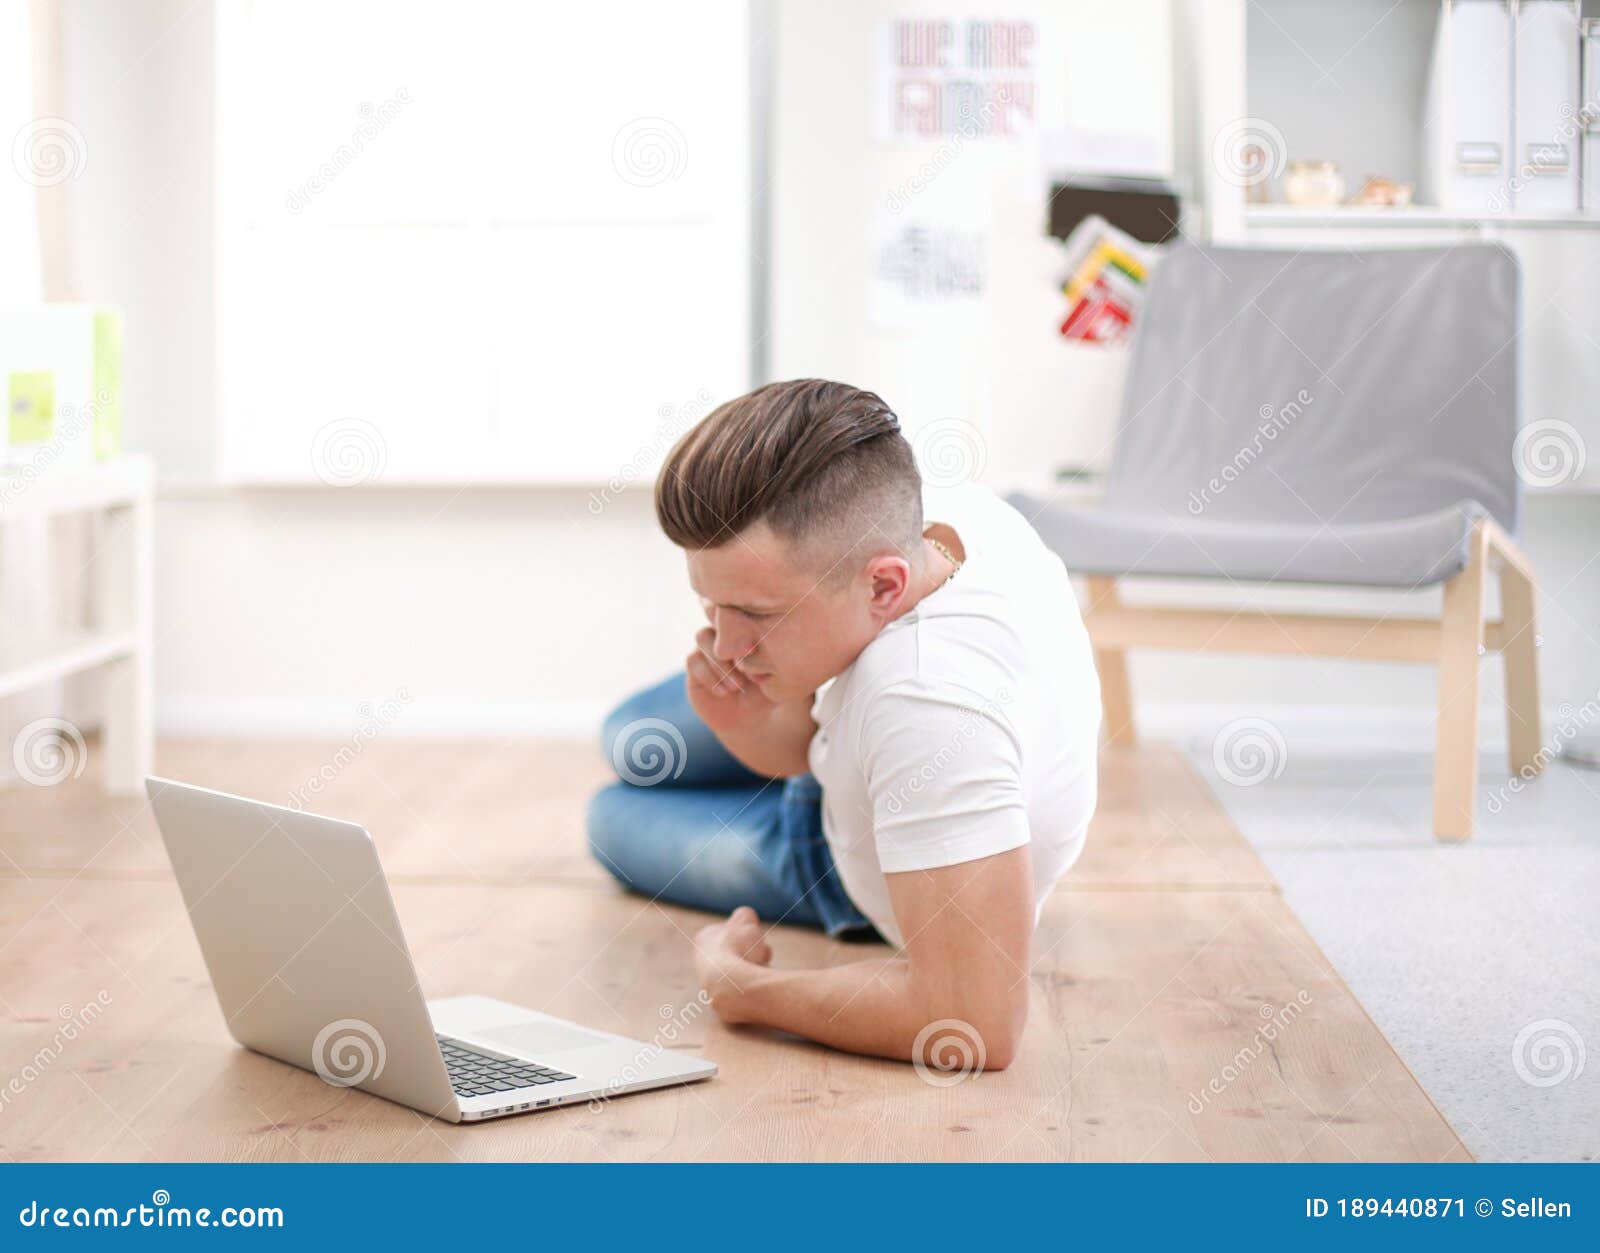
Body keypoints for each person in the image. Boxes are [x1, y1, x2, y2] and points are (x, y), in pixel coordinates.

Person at [587, 379, 1100, 1069]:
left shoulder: (928, 702)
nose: (724, 644)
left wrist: (744, 989)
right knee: (627, 735)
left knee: (610, 814)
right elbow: (805, 742)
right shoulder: (947, 516)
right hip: (849, 750)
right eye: (711, 602)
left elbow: (975, 1023)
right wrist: (740, 721)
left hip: (841, 860)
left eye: (757, 614)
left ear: (885, 587)